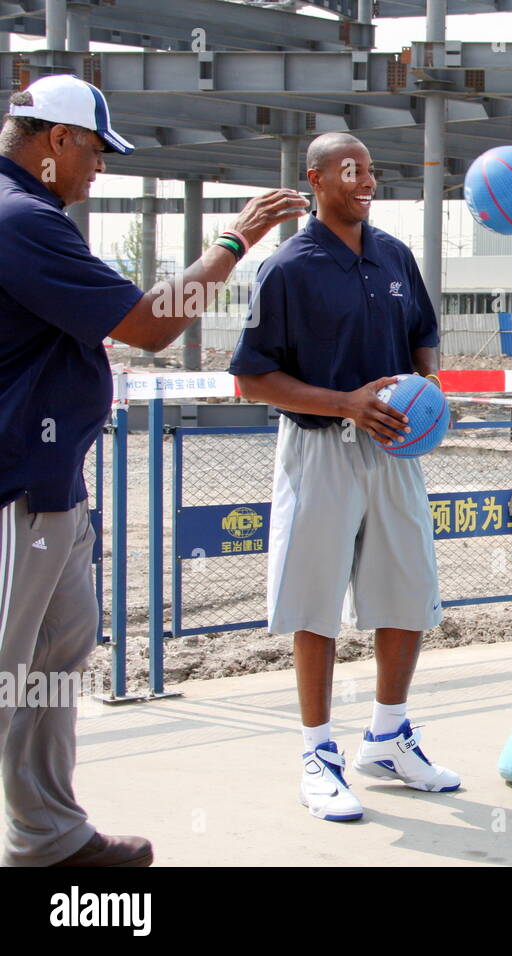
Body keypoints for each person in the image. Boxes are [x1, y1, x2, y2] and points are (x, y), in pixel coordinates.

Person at [0, 75, 307, 865]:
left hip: (53, 486)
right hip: (12, 494)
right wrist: (232, 242)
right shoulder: (20, 220)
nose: (99, 167)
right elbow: (148, 324)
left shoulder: (31, 218)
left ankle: (49, 836)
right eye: (96, 150)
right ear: (56, 141)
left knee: (53, 669)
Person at [229, 132, 458, 823]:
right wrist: (344, 403)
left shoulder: (394, 255)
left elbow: (423, 331)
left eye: (371, 171)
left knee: (409, 594)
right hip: (321, 447)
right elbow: (250, 380)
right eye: (350, 170)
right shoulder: (288, 267)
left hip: (394, 451)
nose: (365, 181)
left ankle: (387, 739)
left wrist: (427, 390)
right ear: (316, 179)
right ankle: (317, 754)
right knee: (315, 605)